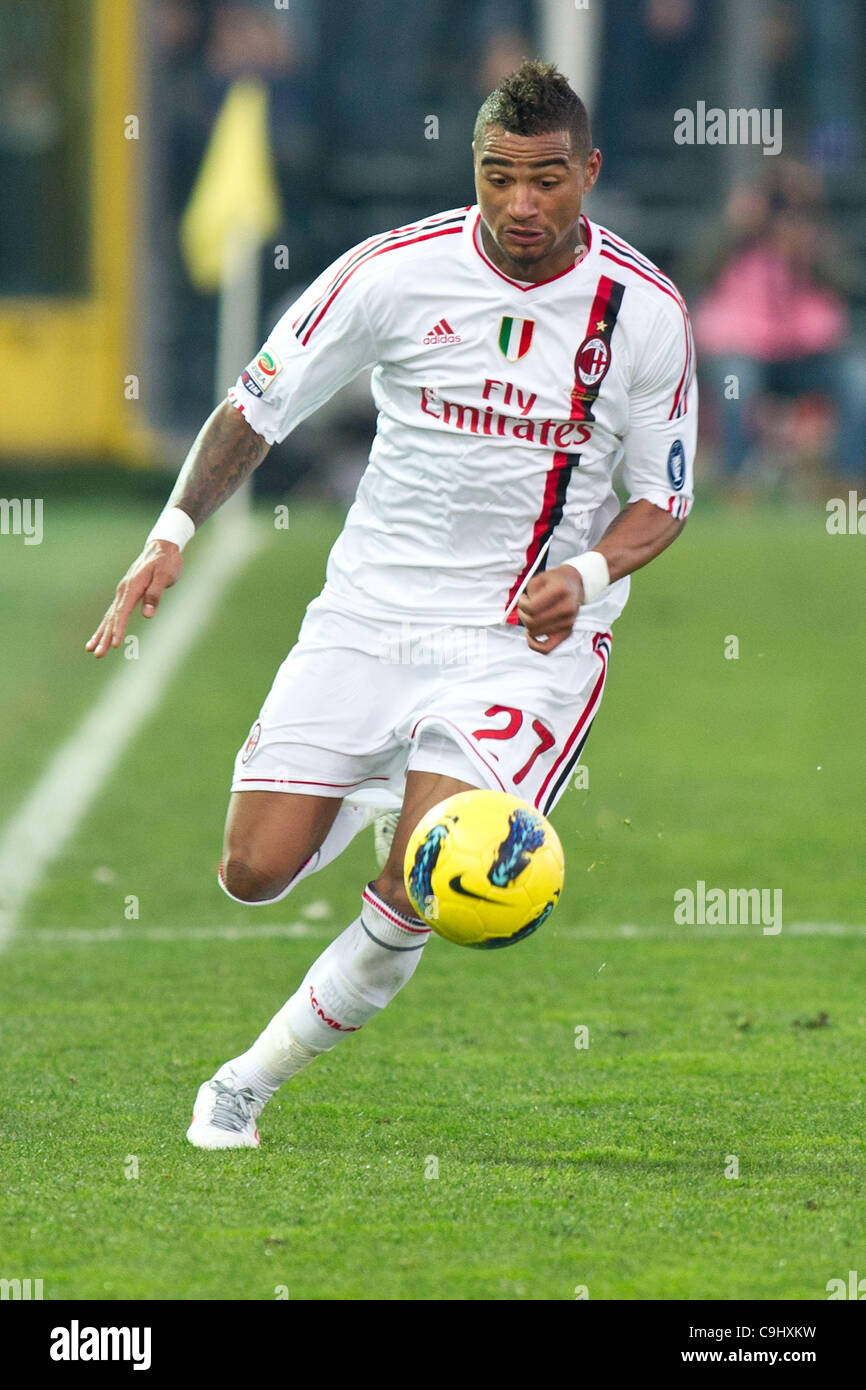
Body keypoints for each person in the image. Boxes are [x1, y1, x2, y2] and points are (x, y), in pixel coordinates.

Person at [86, 60, 696, 1149]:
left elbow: (662, 500)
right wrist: (168, 535)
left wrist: (590, 574)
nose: (519, 204)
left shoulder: (641, 313)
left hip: (525, 639)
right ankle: (386, 785)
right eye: (497, 177)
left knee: (428, 874)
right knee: (251, 873)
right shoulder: (391, 273)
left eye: (546, 180)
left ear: (587, 174)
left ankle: (243, 1085)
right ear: (473, 169)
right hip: (368, 613)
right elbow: (255, 406)